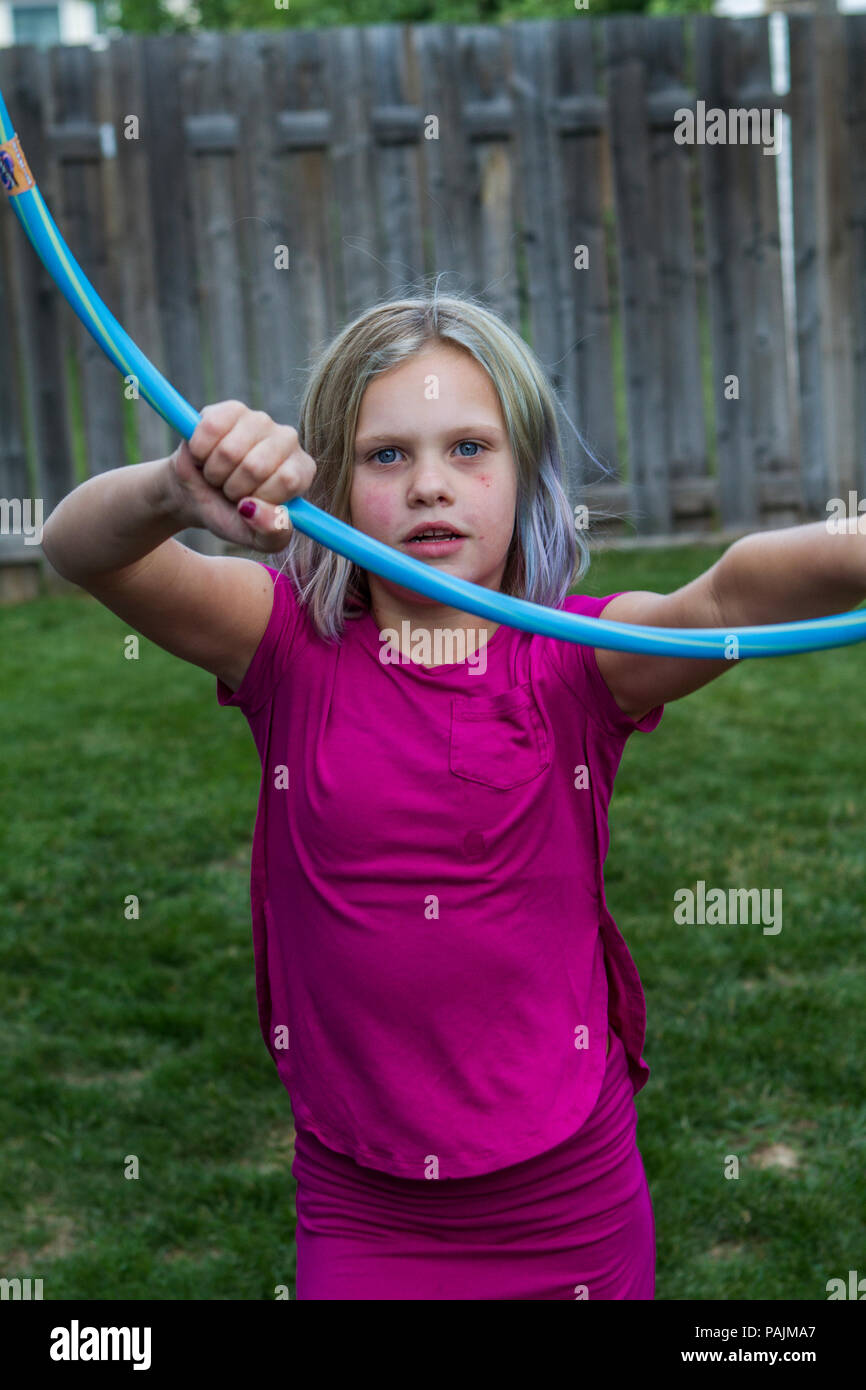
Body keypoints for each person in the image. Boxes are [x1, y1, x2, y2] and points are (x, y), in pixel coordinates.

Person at [42, 287, 861, 1300]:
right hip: (364, 1202)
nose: (431, 485)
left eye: (469, 448)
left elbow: (733, 593)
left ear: (524, 478)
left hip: (569, 1191)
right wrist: (173, 488)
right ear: (333, 490)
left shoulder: (580, 661)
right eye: (388, 456)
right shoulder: (282, 645)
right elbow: (78, 549)